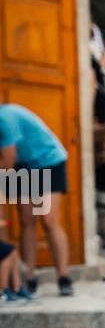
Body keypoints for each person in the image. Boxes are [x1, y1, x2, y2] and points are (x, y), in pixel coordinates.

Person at [0, 104, 73, 295]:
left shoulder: (4, 118)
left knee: (48, 219)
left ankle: (63, 277)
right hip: (24, 166)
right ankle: (29, 277)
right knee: (26, 220)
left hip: (48, 162)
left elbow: (7, 161)